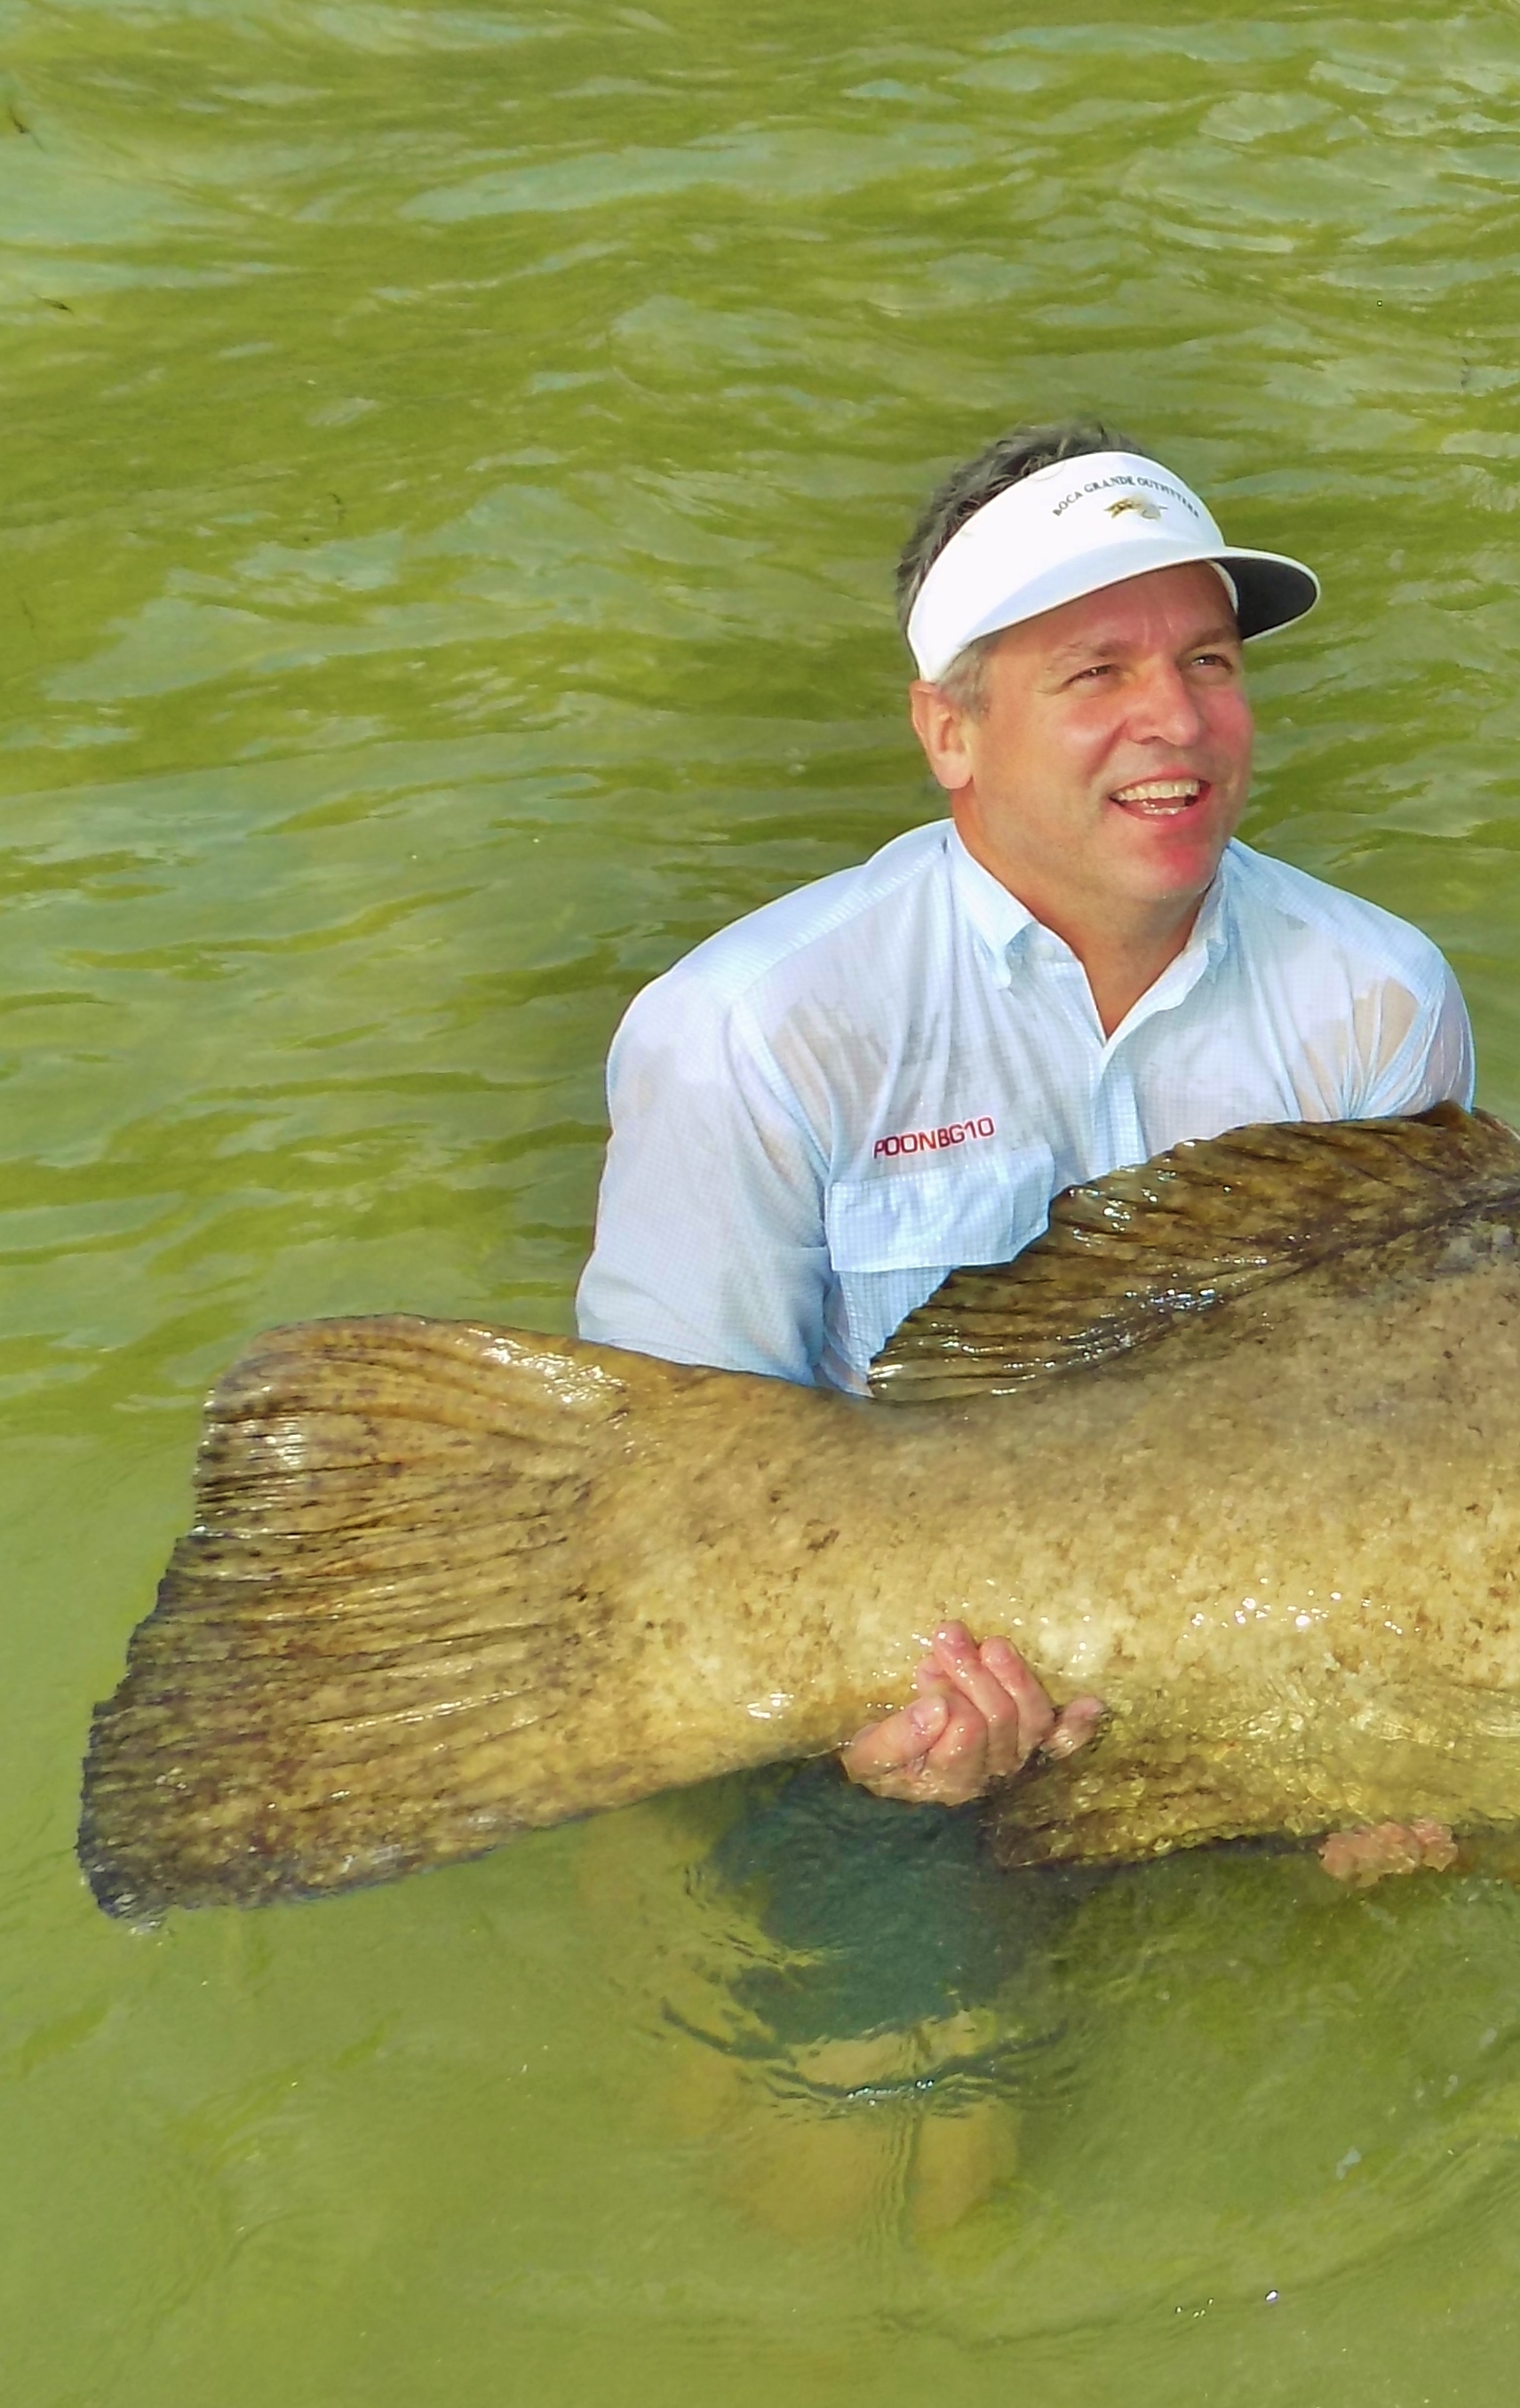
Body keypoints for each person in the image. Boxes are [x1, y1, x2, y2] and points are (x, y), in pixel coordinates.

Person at [578, 421, 1474, 1805]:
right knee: (906, 2011)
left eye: (1209, 662)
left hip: (1255, 1652)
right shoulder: (748, 1029)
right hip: (894, 1693)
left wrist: (1376, 1766)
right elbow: (668, 1505)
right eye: (1095, 672)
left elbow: (1397, 1427)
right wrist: (862, 1735)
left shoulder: (1379, 997)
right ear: (950, 729)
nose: (1174, 719)